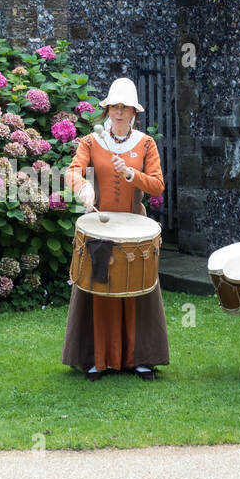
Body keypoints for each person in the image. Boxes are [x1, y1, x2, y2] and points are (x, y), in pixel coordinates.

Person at [61, 77, 169, 380]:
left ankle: (141, 358)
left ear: (134, 112)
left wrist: (133, 174)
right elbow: (73, 170)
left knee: (139, 291)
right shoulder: (91, 142)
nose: (118, 113)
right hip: (101, 228)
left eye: (124, 108)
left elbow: (158, 185)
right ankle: (98, 358)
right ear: (107, 110)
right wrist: (83, 188)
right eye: (113, 107)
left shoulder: (146, 144)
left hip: (136, 229)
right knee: (100, 289)